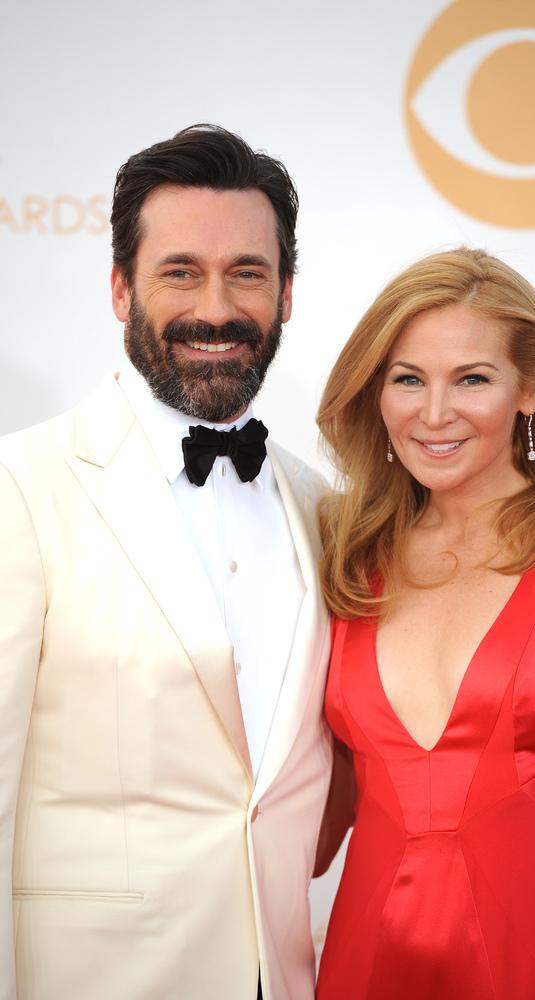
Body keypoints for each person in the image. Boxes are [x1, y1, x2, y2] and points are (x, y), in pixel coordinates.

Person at [0, 125, 334, 1000]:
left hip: (284, 971)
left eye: (248, 273)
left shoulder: (323, 506)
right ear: (120, 288)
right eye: (180, 270)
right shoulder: (20, 486)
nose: (215, 308)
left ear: (287, 294)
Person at [314, 247, 535, 1000]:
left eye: (471, 378)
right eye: (407, 379)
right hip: (361, 969)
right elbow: (309, 814)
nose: (433, 414)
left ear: (530, 391)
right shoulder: (342, 558)